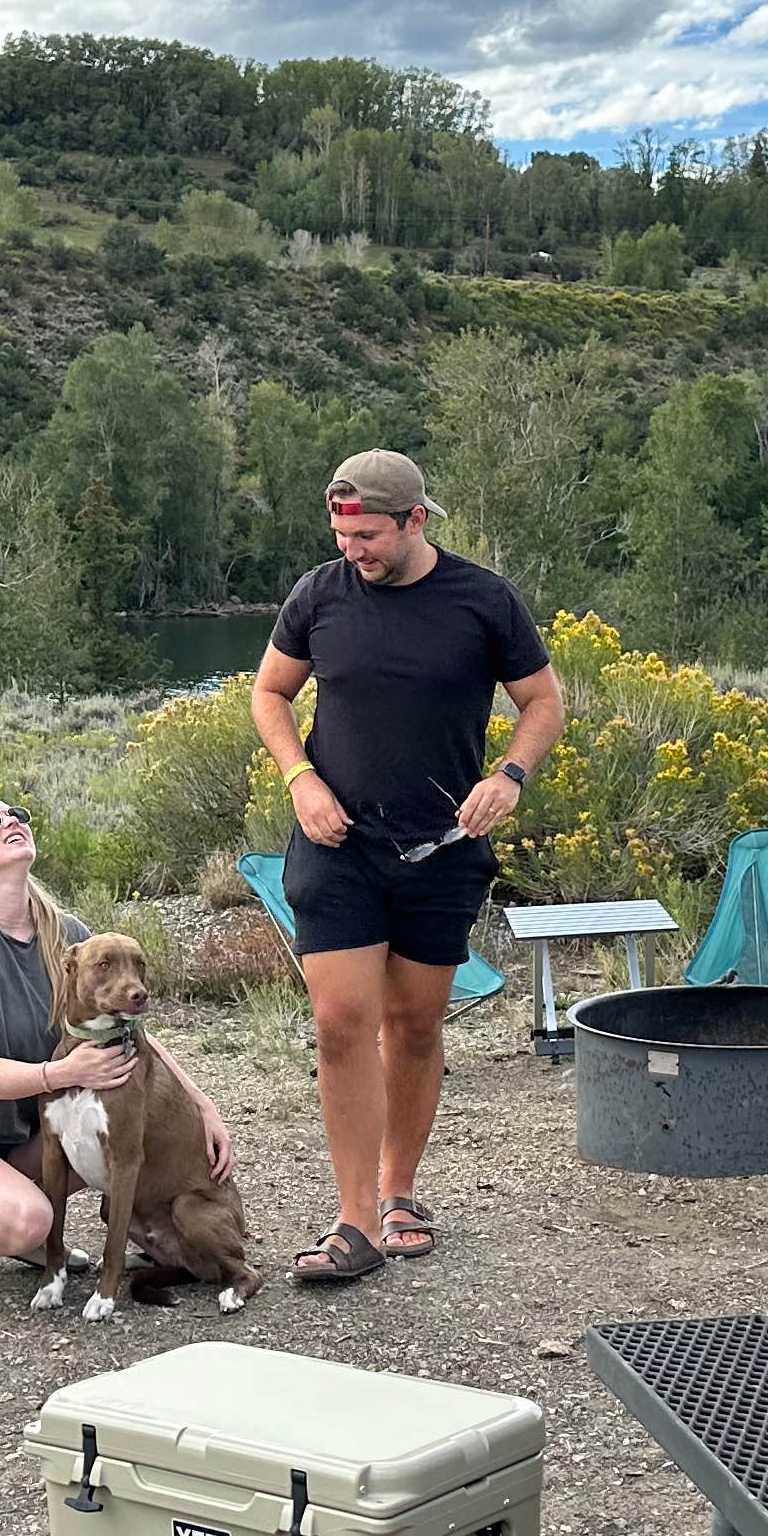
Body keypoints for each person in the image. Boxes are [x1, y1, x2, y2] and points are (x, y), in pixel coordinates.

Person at [251, 450, 564, 1285]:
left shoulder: (484, 599)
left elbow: (543, 702)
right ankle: (353, 1221)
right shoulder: (318, 595)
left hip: (443, 852)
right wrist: (300, 777)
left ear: (417, 520)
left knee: (415, 1026)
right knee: (341, 1024)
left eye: (370, 536)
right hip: (337, 848)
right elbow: (270, 694)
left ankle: (399, 1193)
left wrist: (509, 776)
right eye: (343, 534)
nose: (354, 550)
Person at [0, 798, 233, 1305]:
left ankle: (15, 1217)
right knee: (26, 1221)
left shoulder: (69, 937)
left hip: (14, 1131)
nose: (12, 821)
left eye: (17, 812)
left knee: (112, 1144)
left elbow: (129, 1035)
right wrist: (62, 1071)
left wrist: (201, 1104)